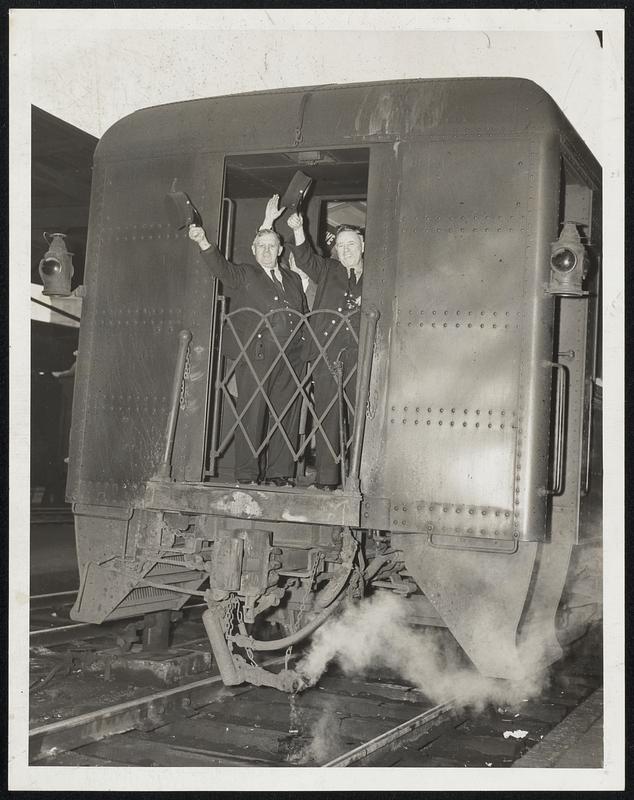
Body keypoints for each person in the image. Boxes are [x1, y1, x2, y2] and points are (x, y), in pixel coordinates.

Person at [188, 203, 307, 487]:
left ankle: (280, 473)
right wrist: (203, 241)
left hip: (292, 357)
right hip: (257, 355)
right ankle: (247, 474)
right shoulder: (244, 274)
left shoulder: (292, 278)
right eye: (261, 246)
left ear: (280, 250)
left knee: (286, 414)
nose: (266, 250)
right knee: (252, 414)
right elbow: (220, 267)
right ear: (254, 251)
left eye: (271, 246)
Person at [286, 212, 364, 490]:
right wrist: (298, 230)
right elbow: (305, 258)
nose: (345, 251)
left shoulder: (377, 273)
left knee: (359, 415)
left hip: (360, 356)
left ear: (362, 245)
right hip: (326, 353)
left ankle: (358, 479)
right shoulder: (329, 269)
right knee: (327, 415)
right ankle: (327, 479)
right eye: (341, 246)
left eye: (351, 245)